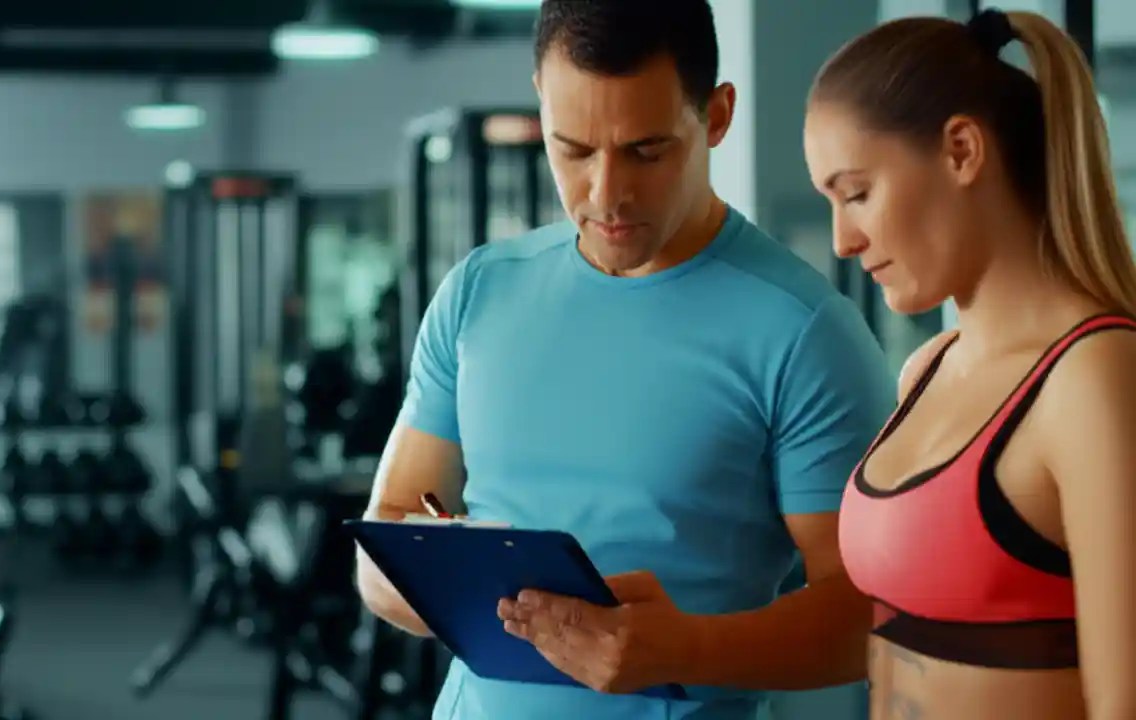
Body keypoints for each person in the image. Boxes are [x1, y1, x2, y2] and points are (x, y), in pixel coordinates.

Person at [356, 1, 896, 718]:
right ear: (542, 104)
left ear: (717, 116)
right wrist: (483, 593)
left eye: (646, 151)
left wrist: (684, 652)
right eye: (574, 150)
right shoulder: (477, 293)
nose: (606, 195)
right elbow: (383, 543)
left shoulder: (806, 332)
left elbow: (869, 617)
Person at [804, 8, 1136, 720]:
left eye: (857, 194)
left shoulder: (1091, 374)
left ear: (961, 150)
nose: (842, 240)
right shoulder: (925, 369)